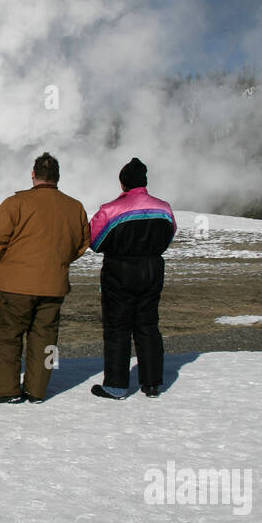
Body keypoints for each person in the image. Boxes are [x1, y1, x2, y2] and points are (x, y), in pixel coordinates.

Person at [0, 152, 90, 404]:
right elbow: (81, 244)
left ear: (33, 174)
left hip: (15, 286)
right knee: (47, 340)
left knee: (6, 336)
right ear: (57, 177)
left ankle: (5, 389)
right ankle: (38, 390)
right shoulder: (75, 207)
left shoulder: (15, 204)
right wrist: (57, 263)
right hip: (54, 286)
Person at [88, 157, 176, 399]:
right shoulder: (164, 208)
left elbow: (95, 242)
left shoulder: (110, 210)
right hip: (152, 267)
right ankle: (151, 383)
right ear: (144, 182)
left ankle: (116, 385)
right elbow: (168, 236)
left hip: (119, 270)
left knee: (118, 327)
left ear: (123, 183)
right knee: (148, 325)